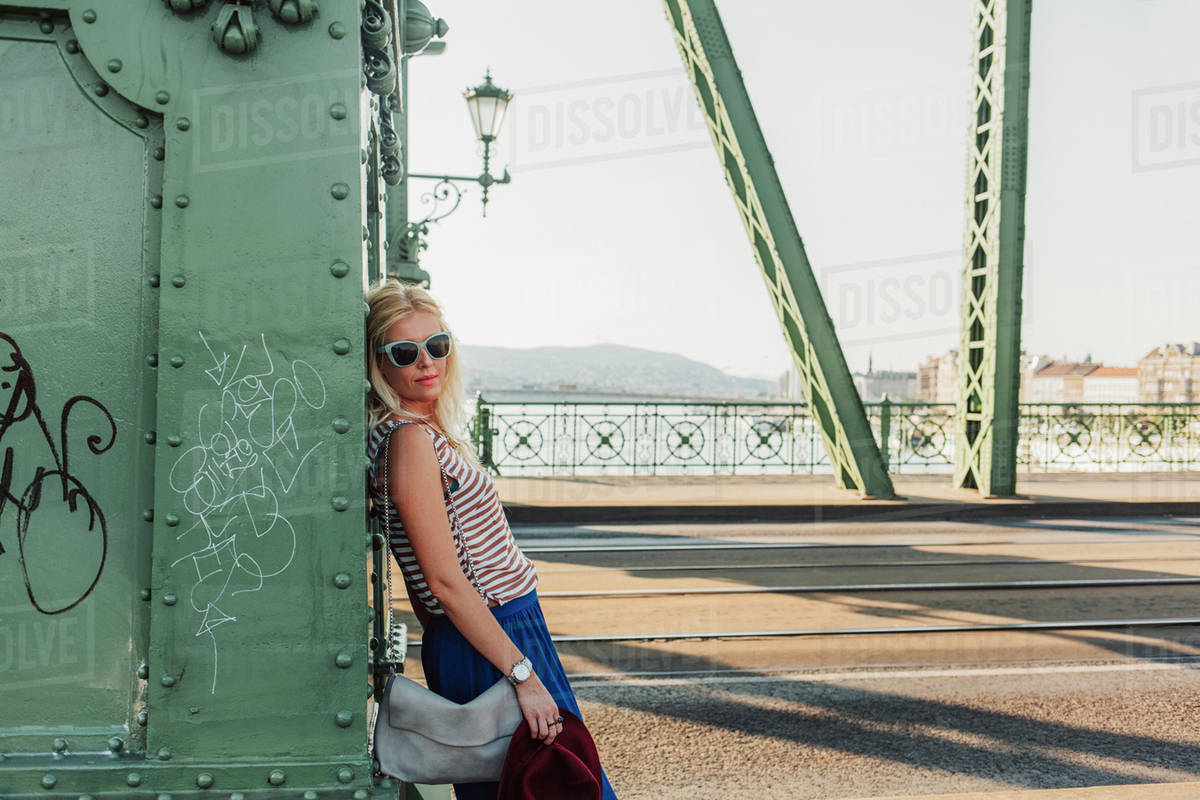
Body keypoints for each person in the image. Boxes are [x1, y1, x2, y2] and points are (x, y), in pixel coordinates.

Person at [364, 279, 619, 800]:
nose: (426, 362)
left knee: (547, 784)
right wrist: (522, 674)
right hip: (490, 633)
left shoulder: (418, 429)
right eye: (405, 352)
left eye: (437, 346)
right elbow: (442, 582)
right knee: (557, 786)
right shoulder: (410, 439)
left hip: (493, 630)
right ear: (379, 363)